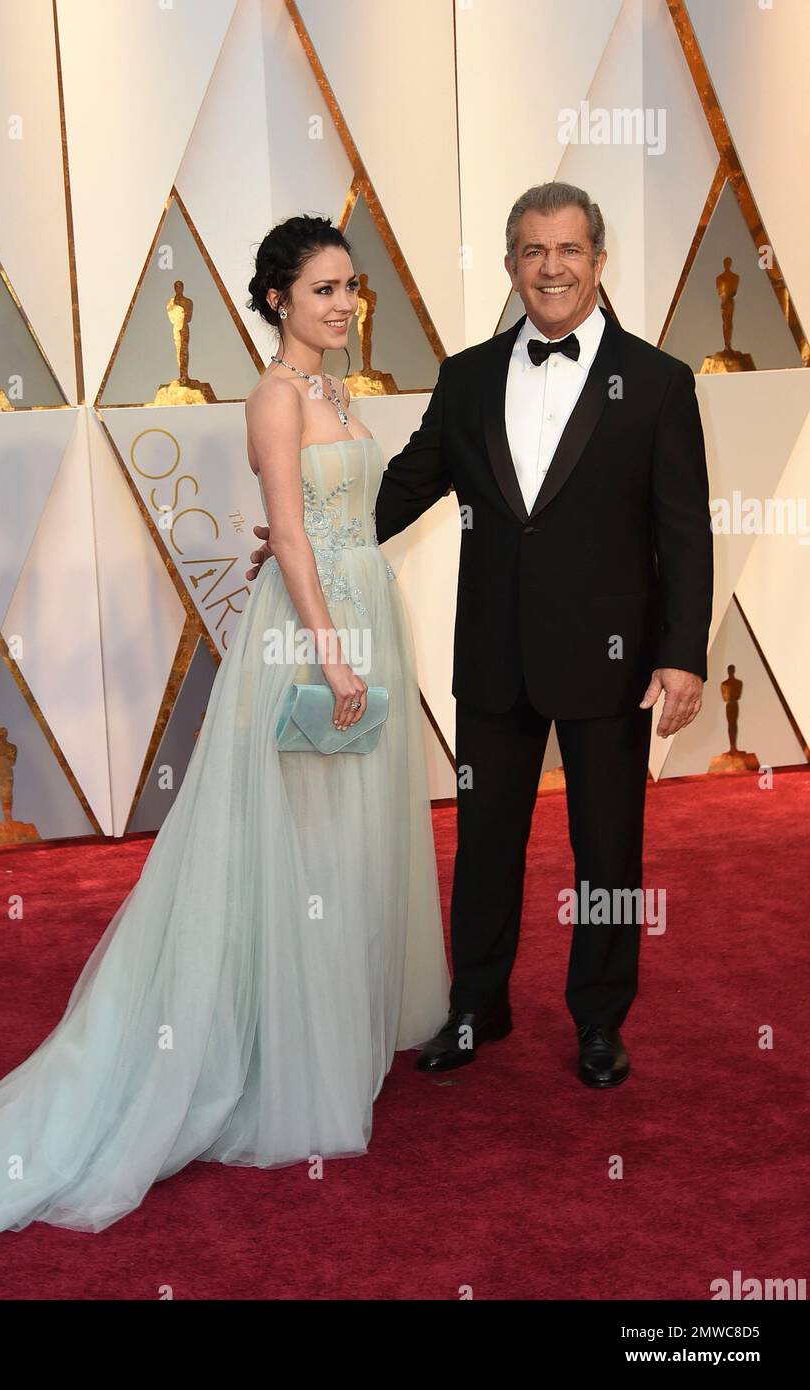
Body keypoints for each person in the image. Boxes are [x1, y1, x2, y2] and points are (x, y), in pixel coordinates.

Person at [0, 215, 450, 1242]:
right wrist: (331, 649)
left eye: (350, 288)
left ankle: (322, 1029)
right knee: (298, 839)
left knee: (346, 835)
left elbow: (312, 524)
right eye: (323, 291)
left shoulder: (332, 393)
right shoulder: (273, 399)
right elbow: (296, 533)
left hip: (359, 609)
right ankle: (272, 1055)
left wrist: (338, 602)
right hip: (315, 635)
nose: (344, 305)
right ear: (276, 302)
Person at [250, 182, 714, 1089]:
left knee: (609, 851)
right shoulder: (465, 377)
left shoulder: (658, 381)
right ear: (509, 266)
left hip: (609, 663)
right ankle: (475, 1007)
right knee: (485, 842)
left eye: (569, 250)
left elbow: (684, 529)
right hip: (493, 657)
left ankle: (598, 1020)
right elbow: (403, 486)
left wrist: (681, 651)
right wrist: (301, 536)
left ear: (597, 261)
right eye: (533, 252)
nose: (551, 268)